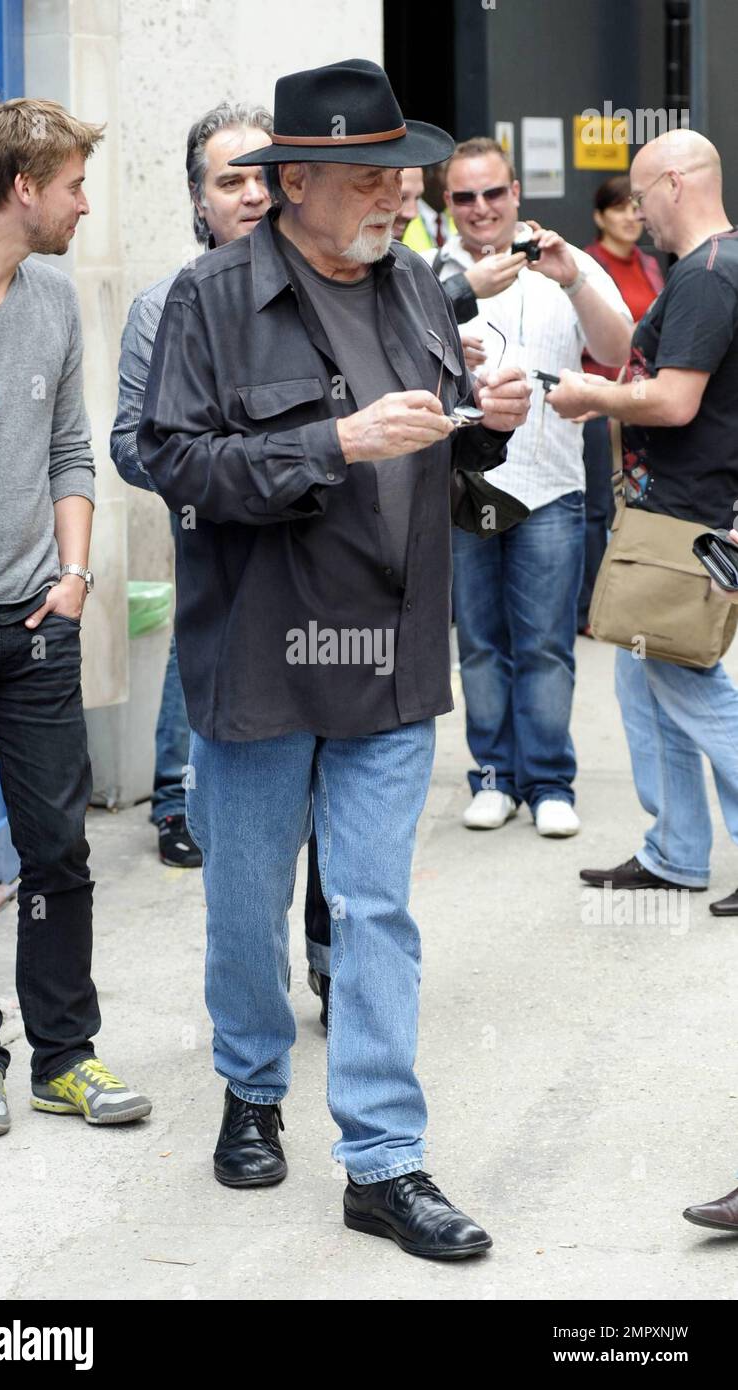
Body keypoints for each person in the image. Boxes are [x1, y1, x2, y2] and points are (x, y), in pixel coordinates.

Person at [138, 58, 531, 1260]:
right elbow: (174, 462)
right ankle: (253, 1086)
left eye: (401, 175)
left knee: (375, 909)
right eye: (370, 177)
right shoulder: (209, 297)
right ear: (294, 182)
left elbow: (441, 443)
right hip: (262, 652)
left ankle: (382, 1159)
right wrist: (334, 441)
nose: (398, 194)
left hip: (391, 652)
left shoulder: (416, 286)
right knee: (247, 903)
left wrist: (486, 424)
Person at [0, 99, 151, 1138]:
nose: (83, 205)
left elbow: (73, 445)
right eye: (73, 185)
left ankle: (63, 1056)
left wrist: (74, 577)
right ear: (23, 189)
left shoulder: (55, 298)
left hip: (35, 620)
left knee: (57, 848)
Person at [546, 130, 738, 922]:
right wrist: (575, 283)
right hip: (678, 513)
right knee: (644, 680)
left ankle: (677, 851)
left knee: (691, 687)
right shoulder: (707, 269)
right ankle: (675, 852)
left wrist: (589, 398)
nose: (636, 211)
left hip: (685, 519)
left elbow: (673, 400)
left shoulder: (707, 275)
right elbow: (654, 366)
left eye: (639, 193)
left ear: (674, 184)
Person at [429, 137, 633, 837]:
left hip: (550, 489)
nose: (481, 208)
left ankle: (548, 781)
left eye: (494, 192)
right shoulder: (430, 276)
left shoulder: (563, 261)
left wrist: (573, 279)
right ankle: (493, 777)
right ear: (447, 204)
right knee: (480, 645)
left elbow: (616, 351)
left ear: (516, 193)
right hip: (464, 488)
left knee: (545, 644)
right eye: (465, 196)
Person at [111, 101, 272, 869]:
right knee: (200, 654)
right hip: (215, 540)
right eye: (230, 181)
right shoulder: (161, 308)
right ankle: (178, 798)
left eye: (265, 175)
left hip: (323, 555)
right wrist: (226, 477)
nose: (254, 194)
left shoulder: (339, 291)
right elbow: (128, 444)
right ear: (198, 200)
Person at [577, 175, 665, 635]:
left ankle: (628, 599)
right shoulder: (588, 265)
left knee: (637, 503)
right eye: (619, 208)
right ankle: (590, 607)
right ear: (599, 217)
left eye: (635, 206)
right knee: (597, 505)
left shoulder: (649, 263)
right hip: (599, 399)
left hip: (641, 400)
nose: (631, 216)